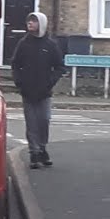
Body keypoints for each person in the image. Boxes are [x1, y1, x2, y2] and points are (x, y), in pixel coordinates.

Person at [10, 11, 65, 169]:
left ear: (41, 24)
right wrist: (19, 82)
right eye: (29, 21)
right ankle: (34, 152)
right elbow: (15, 64)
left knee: (44, 120)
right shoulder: (23, 44)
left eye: (33, 21)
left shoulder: (50, 45)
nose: (30, 23)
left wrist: (50, 81)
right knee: (31, 123)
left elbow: (59, 66)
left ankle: (42, 148)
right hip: (27, 90)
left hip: (45, 91)